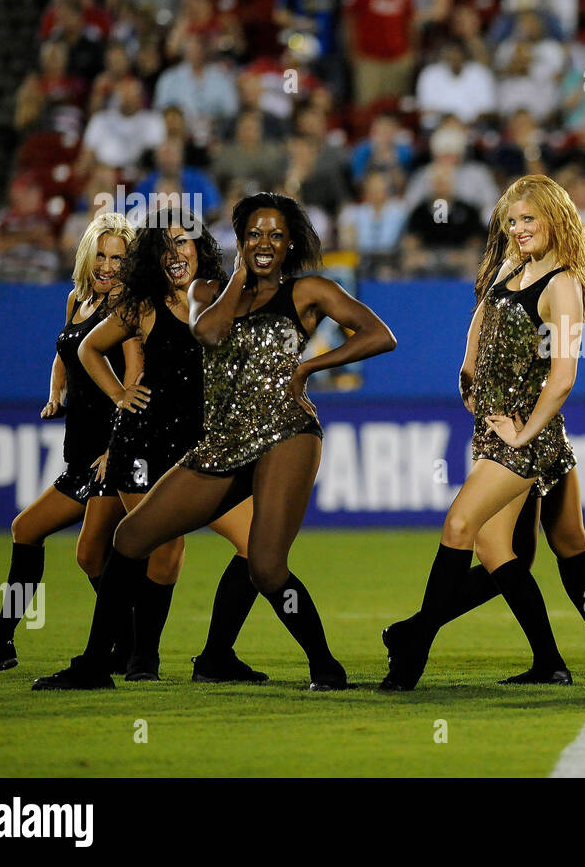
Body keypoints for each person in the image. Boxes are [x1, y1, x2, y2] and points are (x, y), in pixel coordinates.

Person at [33, 193, 396, 690]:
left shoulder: (309, 289)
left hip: (287, 434)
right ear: (238, 241)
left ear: (291, 243)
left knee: (267, 568)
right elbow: (206, 332)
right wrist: (242, 278)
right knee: (131, 538)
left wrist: (311, 365)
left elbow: (379, 335)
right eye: (253, 234)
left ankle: (325, 666)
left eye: (274, 235)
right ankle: (97, 666)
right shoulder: (212, 292)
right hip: (222, 440)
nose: (263, 243)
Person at [380, 199, 585, 679]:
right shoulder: (514, 267)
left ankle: (413, 649)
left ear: (555, 219)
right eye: (512, 221)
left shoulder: (563, 286)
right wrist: (468, 363)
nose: (518, 228)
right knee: (508, 550)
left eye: (529, 219)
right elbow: (483, 312)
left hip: (523, 436)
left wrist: (525, 432)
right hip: (497, 428)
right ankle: (554, 662)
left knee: (459, 527)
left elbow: (564, 376)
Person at [0, 213, 139, 677]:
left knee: (90, 554)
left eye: (118, 257)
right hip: (79, 454)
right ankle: (6, 644)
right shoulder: (76, 300)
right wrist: (55, 393)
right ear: (86, 255)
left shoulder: (130, 311)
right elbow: (64, 354)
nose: (107, 265)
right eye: (101, 254)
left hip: (109, 455)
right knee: (26, 529)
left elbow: (136, 383)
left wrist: (115, 449)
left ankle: (130, 645)